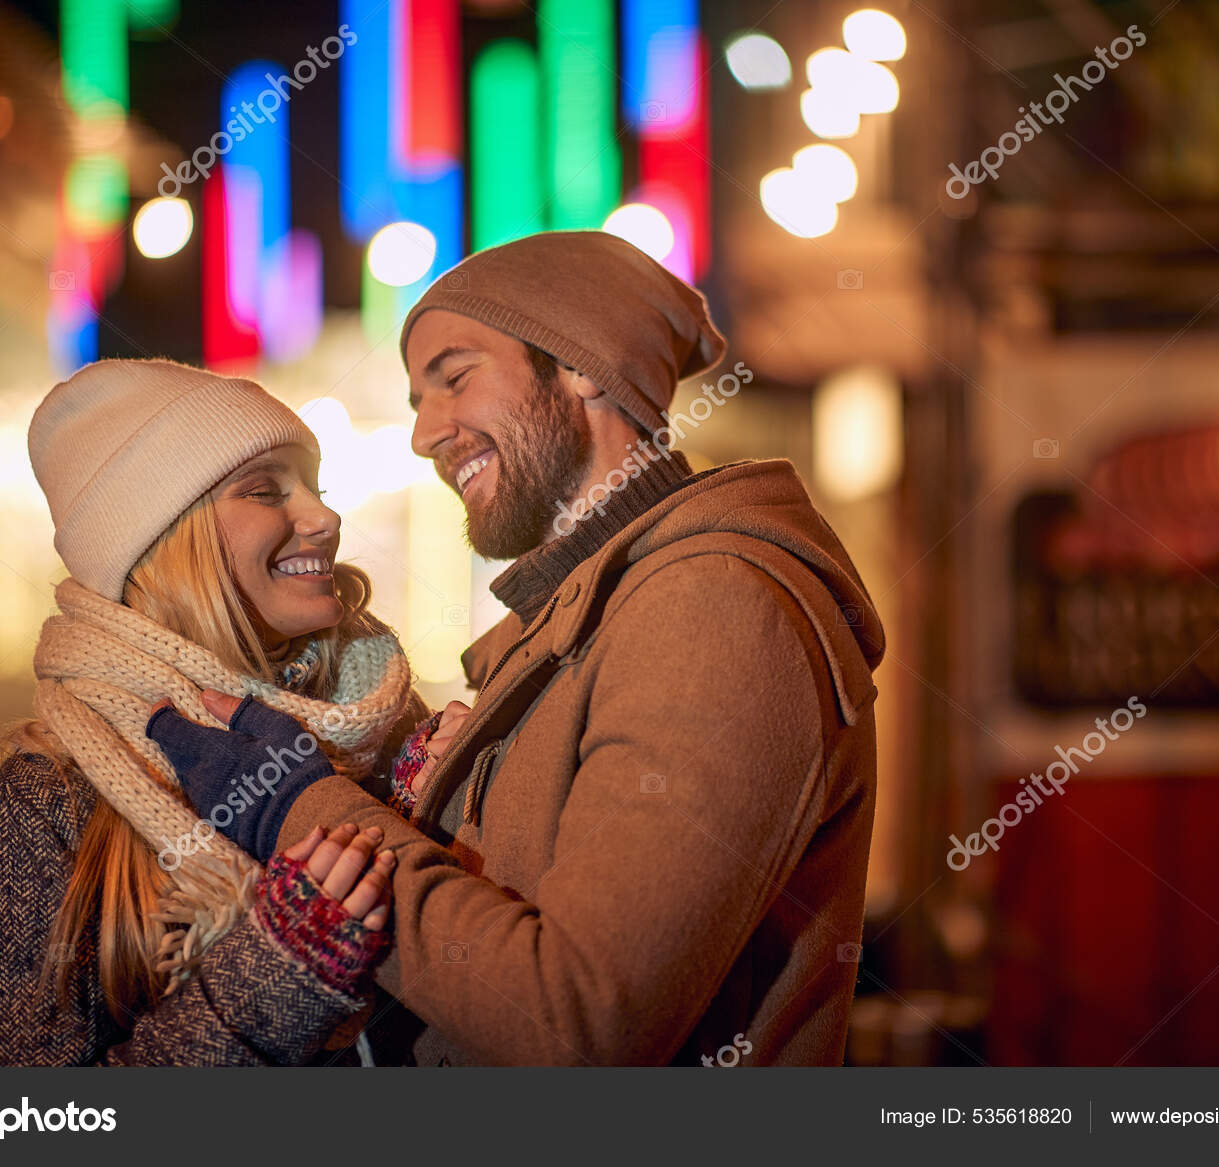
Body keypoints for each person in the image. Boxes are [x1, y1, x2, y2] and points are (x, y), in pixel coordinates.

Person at [151, 231, 886, 1066]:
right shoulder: (577, 626)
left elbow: (577, 1023)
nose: (426, 433)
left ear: (583, 365)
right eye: (417, 398)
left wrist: (300, 810)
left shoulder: (716, 605)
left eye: (455, 376)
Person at [0, 359, 428, 1065]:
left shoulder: (386, 723)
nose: (325, 517)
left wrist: (448, 800)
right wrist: (279, 975)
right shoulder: (46, 793)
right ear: (160, 542)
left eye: (317, 485)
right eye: (266, 489)